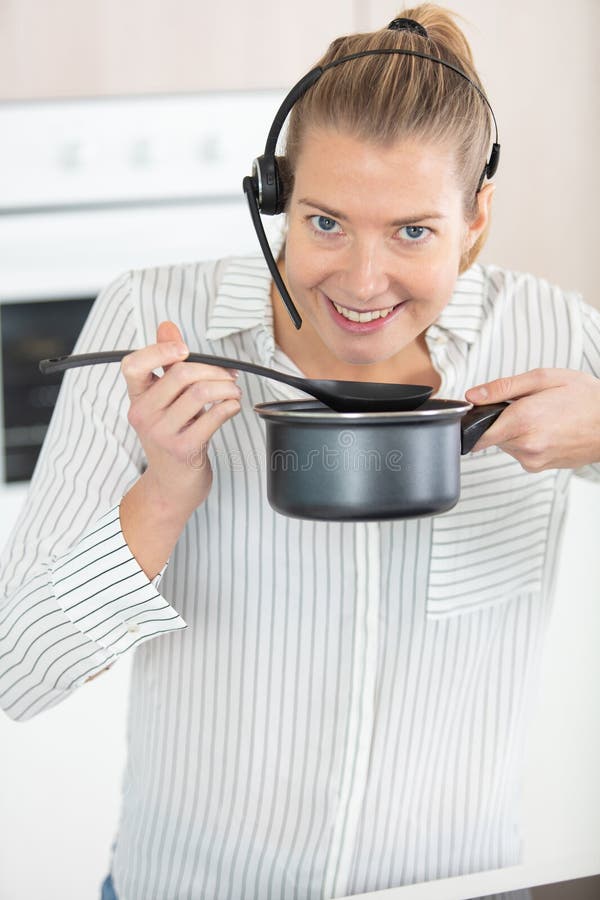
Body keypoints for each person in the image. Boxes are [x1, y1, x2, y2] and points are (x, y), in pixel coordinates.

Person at [1, 5, 599, 900]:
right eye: (325, 223)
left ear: (475, 217)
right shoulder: (153, 319)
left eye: (412, 231)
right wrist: (164, 491)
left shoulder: (554, 332)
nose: (362, 283)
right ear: (273, 195)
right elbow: (19, 671)